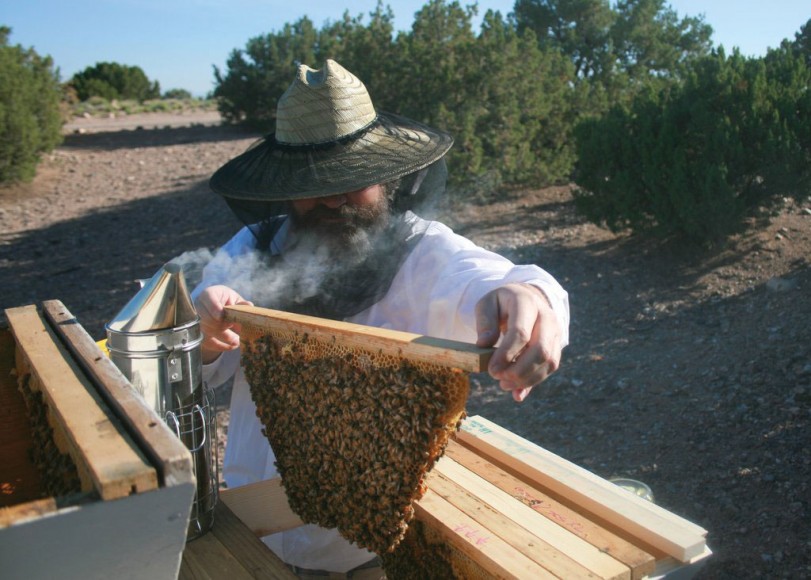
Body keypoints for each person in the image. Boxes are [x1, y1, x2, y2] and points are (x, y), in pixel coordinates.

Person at [192, 59, 569, 577]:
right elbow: (196, 362)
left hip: (371, 549)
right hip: (256, 529)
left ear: (388, 175)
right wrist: (208, 329)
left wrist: (530, 297)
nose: (333, 197)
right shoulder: (252, 251)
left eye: (353, 179)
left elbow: (492, 277)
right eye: (313, 181)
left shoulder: (427, 254)